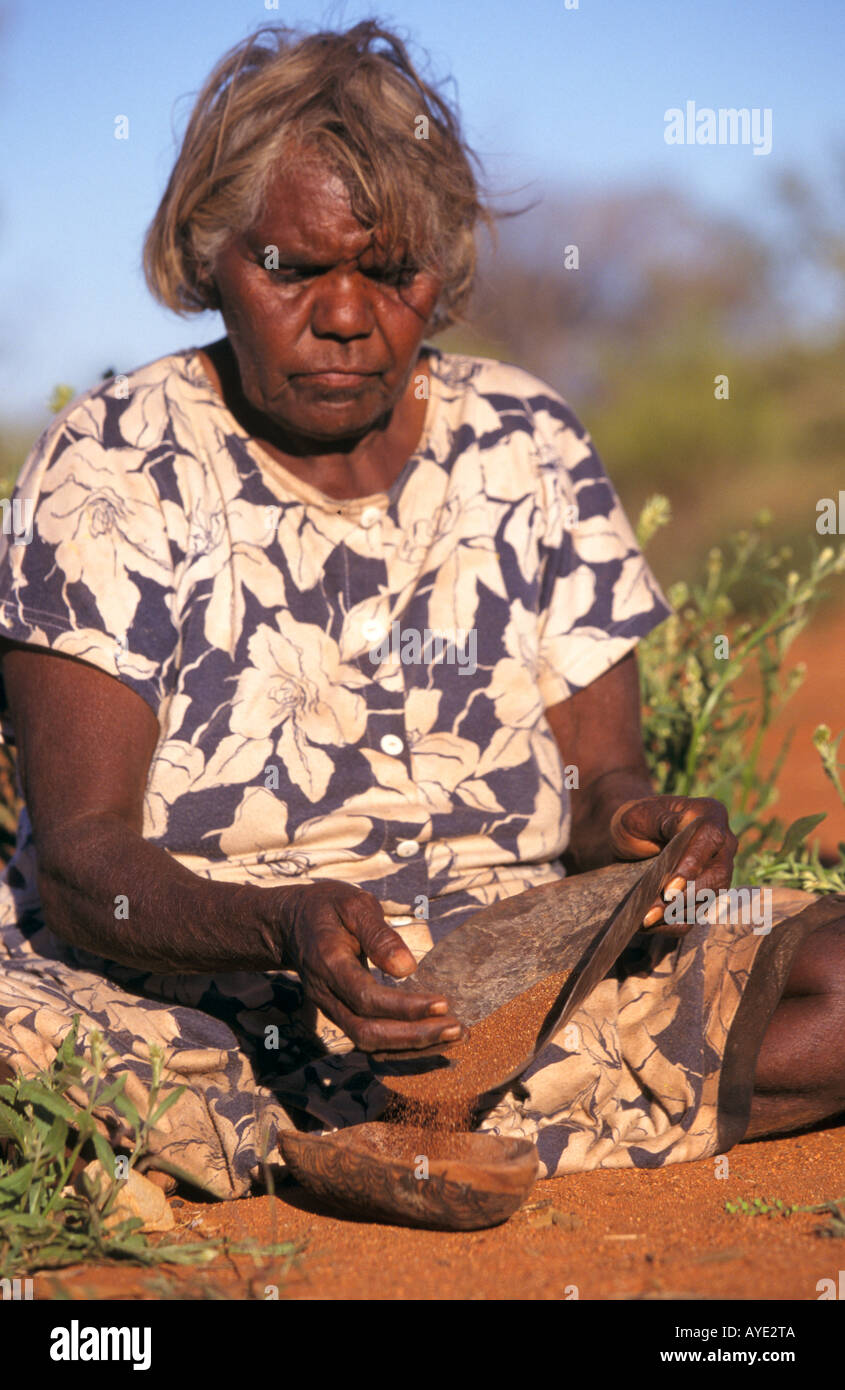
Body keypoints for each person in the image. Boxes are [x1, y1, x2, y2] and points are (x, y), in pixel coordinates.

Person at [0, 22, 842, 1200]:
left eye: (390, 272)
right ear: (211, 255)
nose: (346, 315)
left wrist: (646, 828)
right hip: (211, 988)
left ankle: (362, 1140)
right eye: (291, 268)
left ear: (438, 274)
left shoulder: (528, 442)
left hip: (512, 978)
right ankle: (387, 1126)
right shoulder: (113, 462)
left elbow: (601, 794)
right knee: (30, 1028)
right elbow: (90, 865)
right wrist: (283, 928)